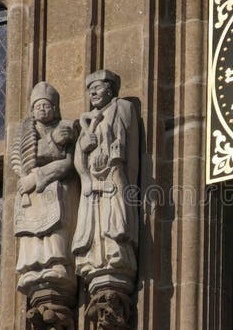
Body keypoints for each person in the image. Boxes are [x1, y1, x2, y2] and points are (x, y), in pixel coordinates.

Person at [72, 70, 139, 309]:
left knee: (114, 215)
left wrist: (113, 156)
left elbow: (125, 138)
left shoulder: (120, 108)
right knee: (95, 218)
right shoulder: (88, 120)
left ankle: (115, 255)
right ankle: (95, 261)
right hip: (93, 180)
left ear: (110, 90)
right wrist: (83, 147)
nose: (93, 92)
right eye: (90, 90)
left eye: (98, 88)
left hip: (113, 172)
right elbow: (79, 159)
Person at [11, 81, 78, 299]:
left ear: (56, 109)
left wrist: (37, 176)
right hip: (29, 194)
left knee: (53, 229)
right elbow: (19, 158)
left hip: (54, 189)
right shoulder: (25, 133)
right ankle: (31, 269)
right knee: (31, 233)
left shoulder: (64, 129)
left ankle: (57, 265)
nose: (42, 109)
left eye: (47, 105)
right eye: (38, 105)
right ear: (31, 110)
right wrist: (28, 178)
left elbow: (67, 163)